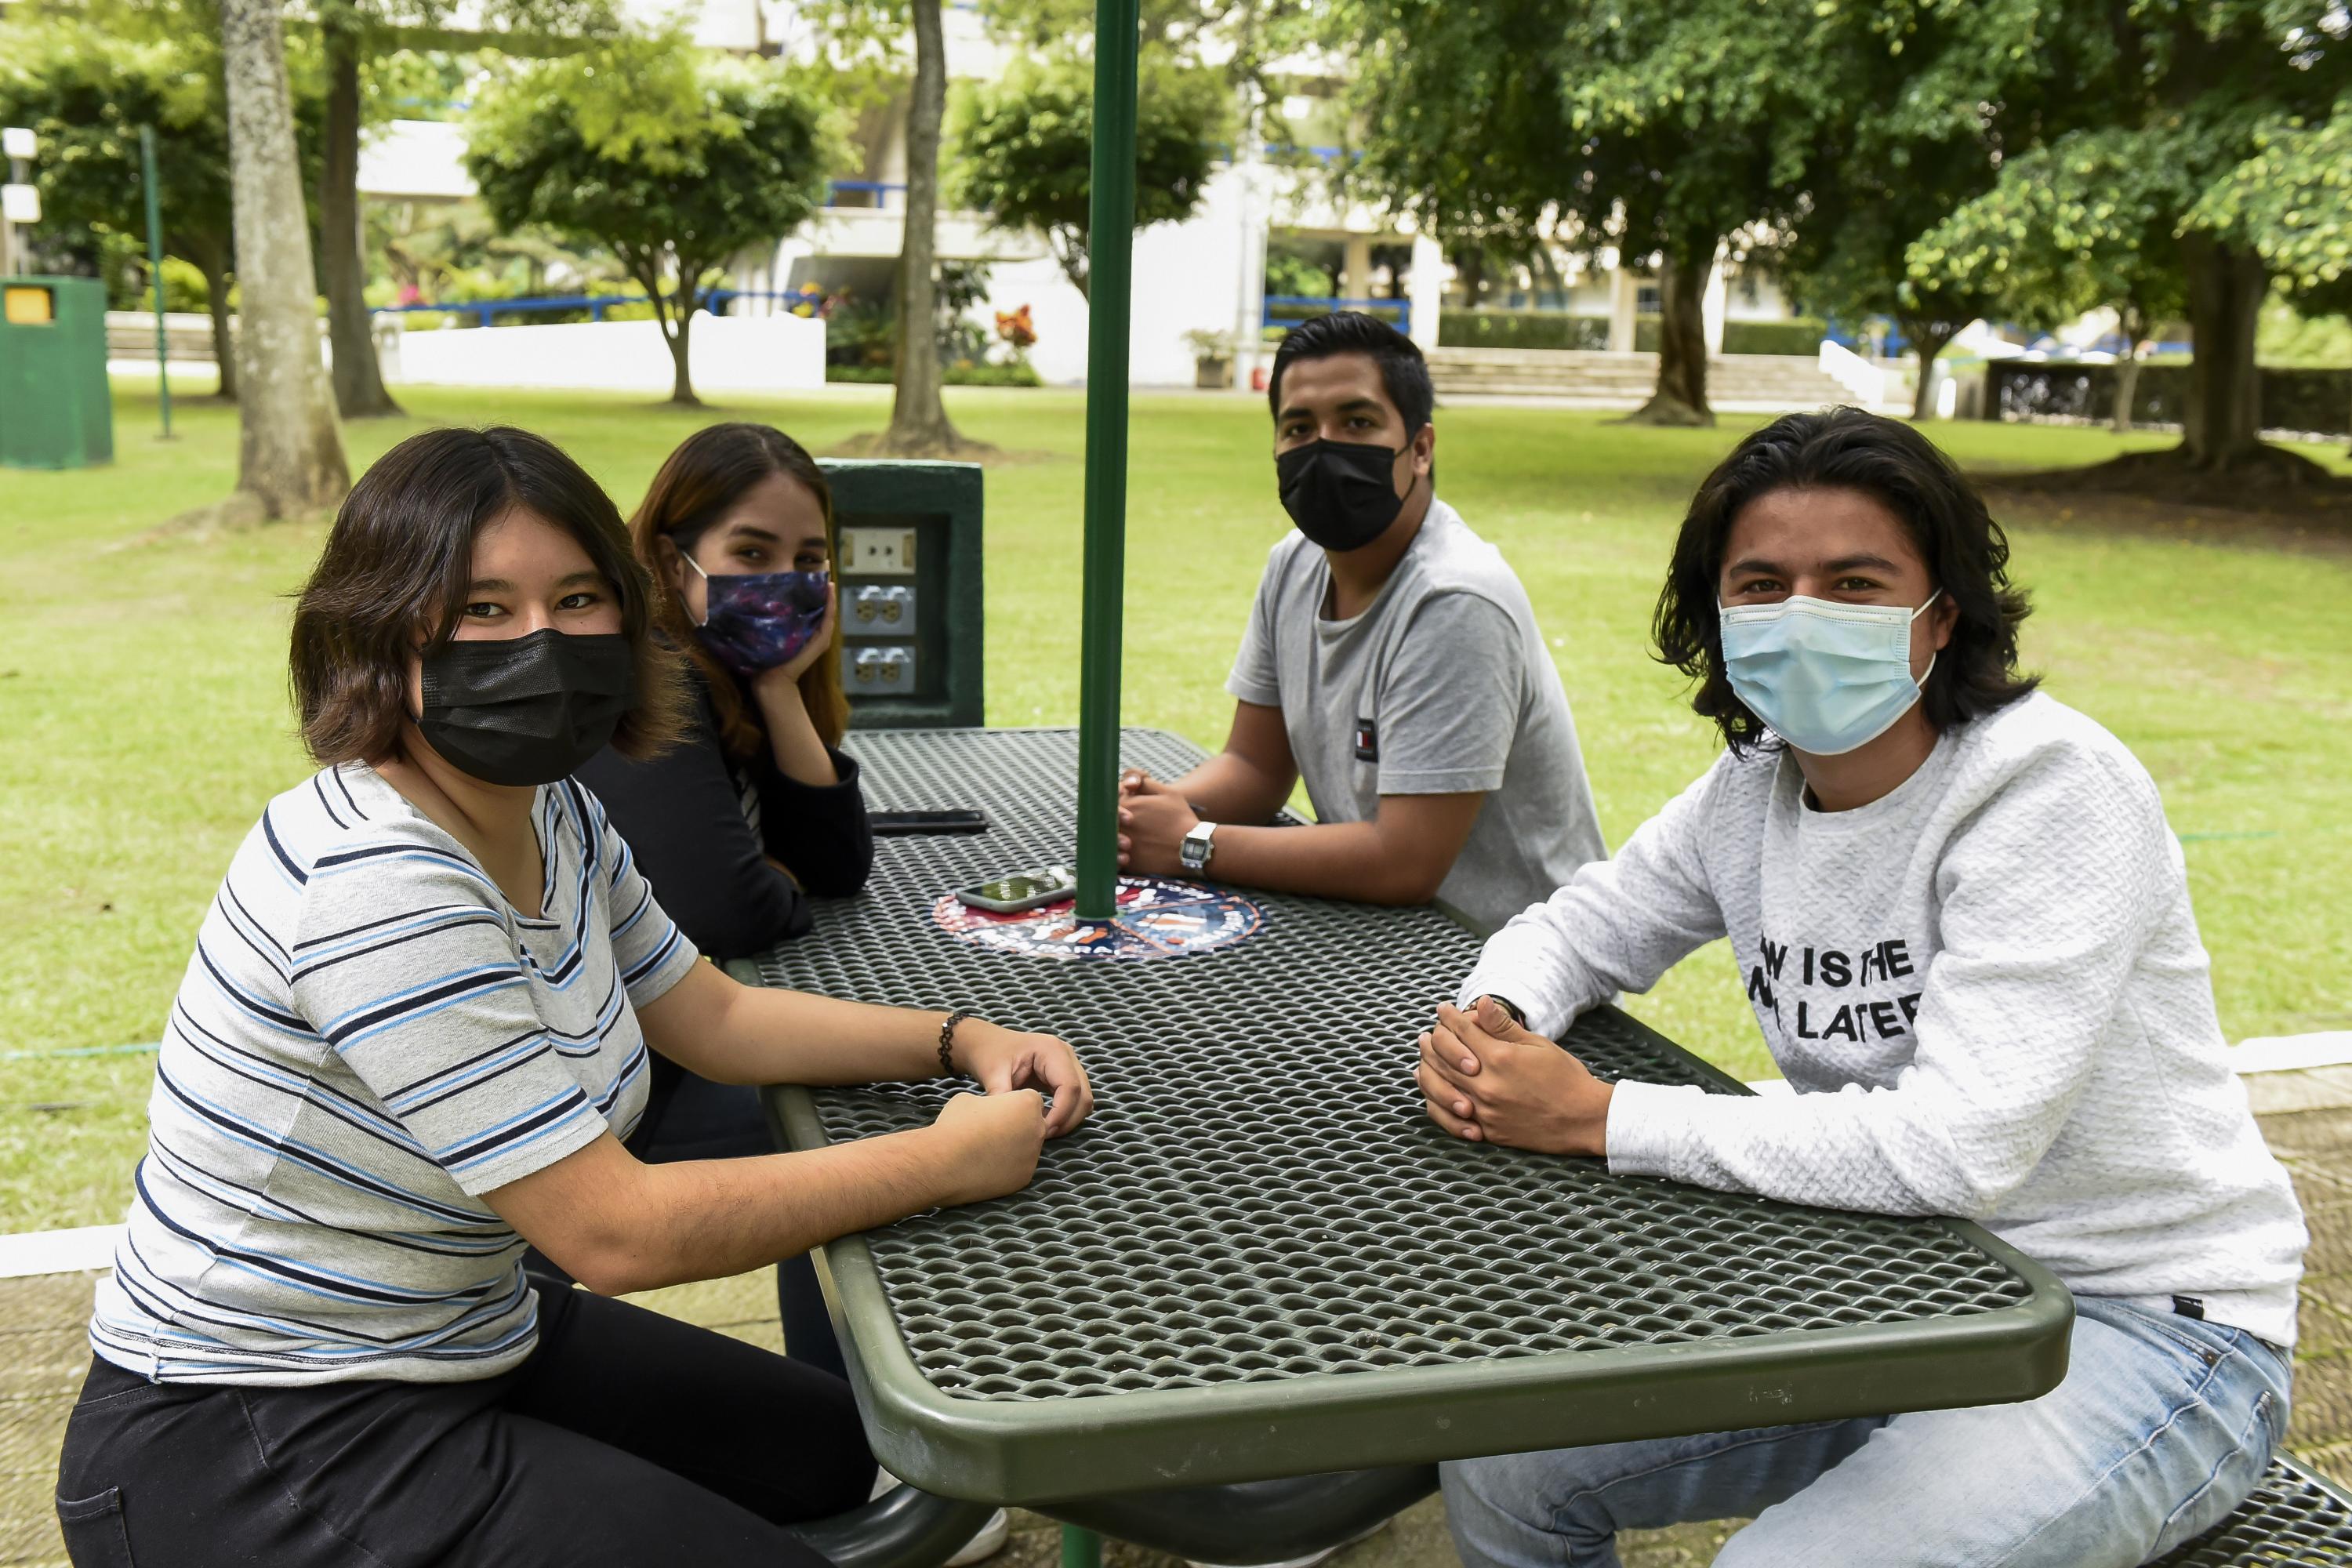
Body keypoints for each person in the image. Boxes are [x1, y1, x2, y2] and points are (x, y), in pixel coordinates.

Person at [55, 426, 1093, 1568]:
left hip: (462, 1329)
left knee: (841, 1454)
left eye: (578, 598)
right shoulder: (380, 881)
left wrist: (957, 1039)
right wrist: (946, 1161)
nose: (541, 642)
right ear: (379, 632)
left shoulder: (550, 808)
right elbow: (615, 1232)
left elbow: (716, 1016)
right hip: (258, 1427)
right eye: (482, 608)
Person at [1420, 408, 2305, 1567]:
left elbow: (1958, 1149)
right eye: (1762, 584)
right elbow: (1580, 926)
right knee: (1505, 1461)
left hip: (2144, 1323)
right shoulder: (1753, 788)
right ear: (1718, 615)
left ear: (1940, 612)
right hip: (1901, 1285)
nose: (1803, 615)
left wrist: (1600, 1117)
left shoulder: (2050, 789)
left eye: (1853, 582)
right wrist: (1497, 1021)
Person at [1116, 310, 1606, 933]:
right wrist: (1150, 814)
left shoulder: (1455, 600)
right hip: (1387, 937)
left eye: (1357, 422)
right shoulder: (1293, 566)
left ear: (1420, 449)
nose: (1324, 446)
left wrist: (1193, 843)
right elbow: (1256, 767)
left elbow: (1404, 861)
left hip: (1511, 957)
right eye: (1299, 427)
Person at [575, 423, 867, 1381]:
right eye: (751, 552)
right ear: (673, 560)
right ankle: (854, 1416)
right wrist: (766, 876)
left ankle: (842, 1407)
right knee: (847, 1126)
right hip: (602, 1095)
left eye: (809, 559)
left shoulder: (734, 673)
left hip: (656, 1050)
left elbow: (834, 862)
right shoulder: (651, 671)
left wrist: (782, 688)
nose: (783, 580)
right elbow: (729, 906)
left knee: (838, 1108)